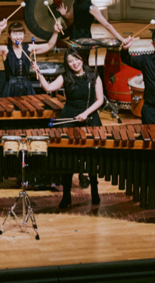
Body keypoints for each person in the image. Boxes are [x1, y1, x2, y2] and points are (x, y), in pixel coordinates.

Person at [33, 48, 105, 208]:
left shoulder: (94, 75)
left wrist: (86, 114)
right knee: (68, 158)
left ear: (82, 58)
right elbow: (49, 88)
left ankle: (95, 192)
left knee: (92, 156)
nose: (74, 63)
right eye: (70, 61)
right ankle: (66, 195)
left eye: (77, 59)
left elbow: (100, 100)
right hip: (69, 118)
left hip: (90, 117)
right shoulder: (65, 76)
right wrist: (39, 73)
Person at [0, 19, 62, 97]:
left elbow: (49, 45)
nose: (18, 37)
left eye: (20, 33)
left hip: (26, 86)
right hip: (10, 87)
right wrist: (0, 30)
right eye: (15, 34)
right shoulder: (5, 50)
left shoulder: (29, 48)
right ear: (9, 35)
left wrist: (56, 32)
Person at [56, 0, 127, 44]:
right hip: (85, 40)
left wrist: (64, 13)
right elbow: (107, 25)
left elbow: (69, 16)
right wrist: (122, 39)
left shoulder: (76, 1)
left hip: (73, 38)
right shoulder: (91, 7)